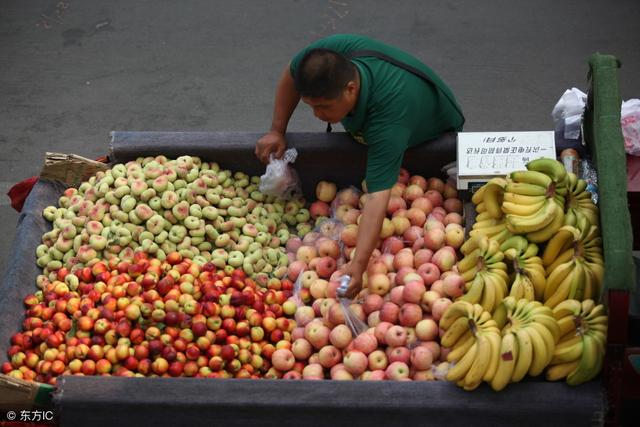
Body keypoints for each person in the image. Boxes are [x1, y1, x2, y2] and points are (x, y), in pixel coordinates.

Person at [255, 34, 464, 298]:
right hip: (389, 113)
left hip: (430, 123)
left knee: (389, 157)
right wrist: (276, 130)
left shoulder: (388, 123)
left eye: (324, 106)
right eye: (312, 106)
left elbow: (377, 195)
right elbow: (292, 72)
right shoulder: (332, 56)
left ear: (351, 89)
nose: (317, 115)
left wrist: (359, 264)